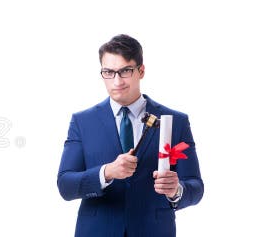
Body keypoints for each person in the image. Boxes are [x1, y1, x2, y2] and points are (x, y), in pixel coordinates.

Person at [57, 34, 204, 237]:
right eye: (108, 72)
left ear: (141, 71)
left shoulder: (176, 121)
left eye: (125, 71)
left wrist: (176, 190)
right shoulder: (82, 122)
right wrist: (106, 172)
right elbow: (65, 185)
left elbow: (195, 186)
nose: (116, 81)